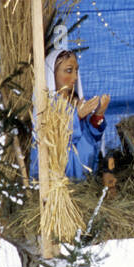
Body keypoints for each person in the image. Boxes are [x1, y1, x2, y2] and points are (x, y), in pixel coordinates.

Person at [29, 49, 110, 181]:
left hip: (85, 177)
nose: (75, 77)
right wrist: (75, 117)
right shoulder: (46, 106)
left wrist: (97, 116)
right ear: (52, 73)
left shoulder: (76, 101)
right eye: (68, 70)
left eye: (76, 71)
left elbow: (91, 138)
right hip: (58, 179)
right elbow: (49, 137)